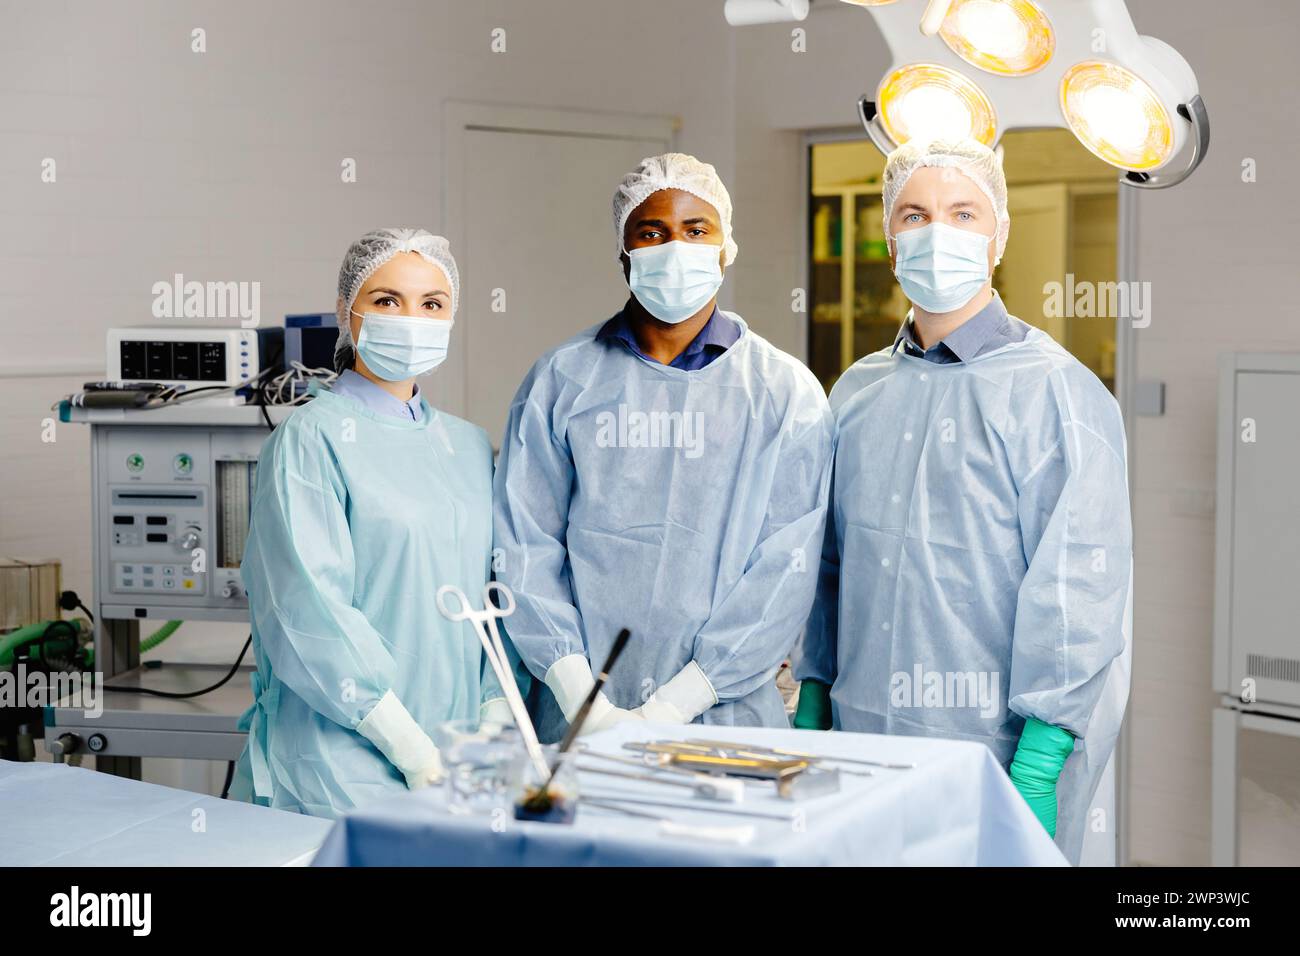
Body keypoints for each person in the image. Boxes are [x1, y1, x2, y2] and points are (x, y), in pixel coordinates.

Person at [792, 139, 1132, 864]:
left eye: (963, 211)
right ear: (889, 242)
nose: (938, 231)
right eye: (915, 214)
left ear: (997, 235)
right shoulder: (856, 394)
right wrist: (815, 698)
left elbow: (1078, 593)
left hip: (992, 756)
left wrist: (1038, 765)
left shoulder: (1057, 395)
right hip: (860, 748)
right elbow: (827, 567)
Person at [494, 153, 834, 743]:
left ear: (726, 248)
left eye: (696, 230)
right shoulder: (564, 380)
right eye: (651, 232)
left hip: (724, 717)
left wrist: (675, 706)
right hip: (578, 720)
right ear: (624, 254)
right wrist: (585, 698)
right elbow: (525, 544)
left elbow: (787, 567)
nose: (675, 247)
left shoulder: (783, 393)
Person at [229, 228, 508, 818]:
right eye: (387, 301)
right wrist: (410, 749)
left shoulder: (467, 445)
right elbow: (307, 614)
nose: (412, 319)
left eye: (431, 304)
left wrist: (493, 716)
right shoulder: (308, 441)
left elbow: (493, 598)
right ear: (346, 313)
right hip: (343, 765)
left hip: (456, 763)